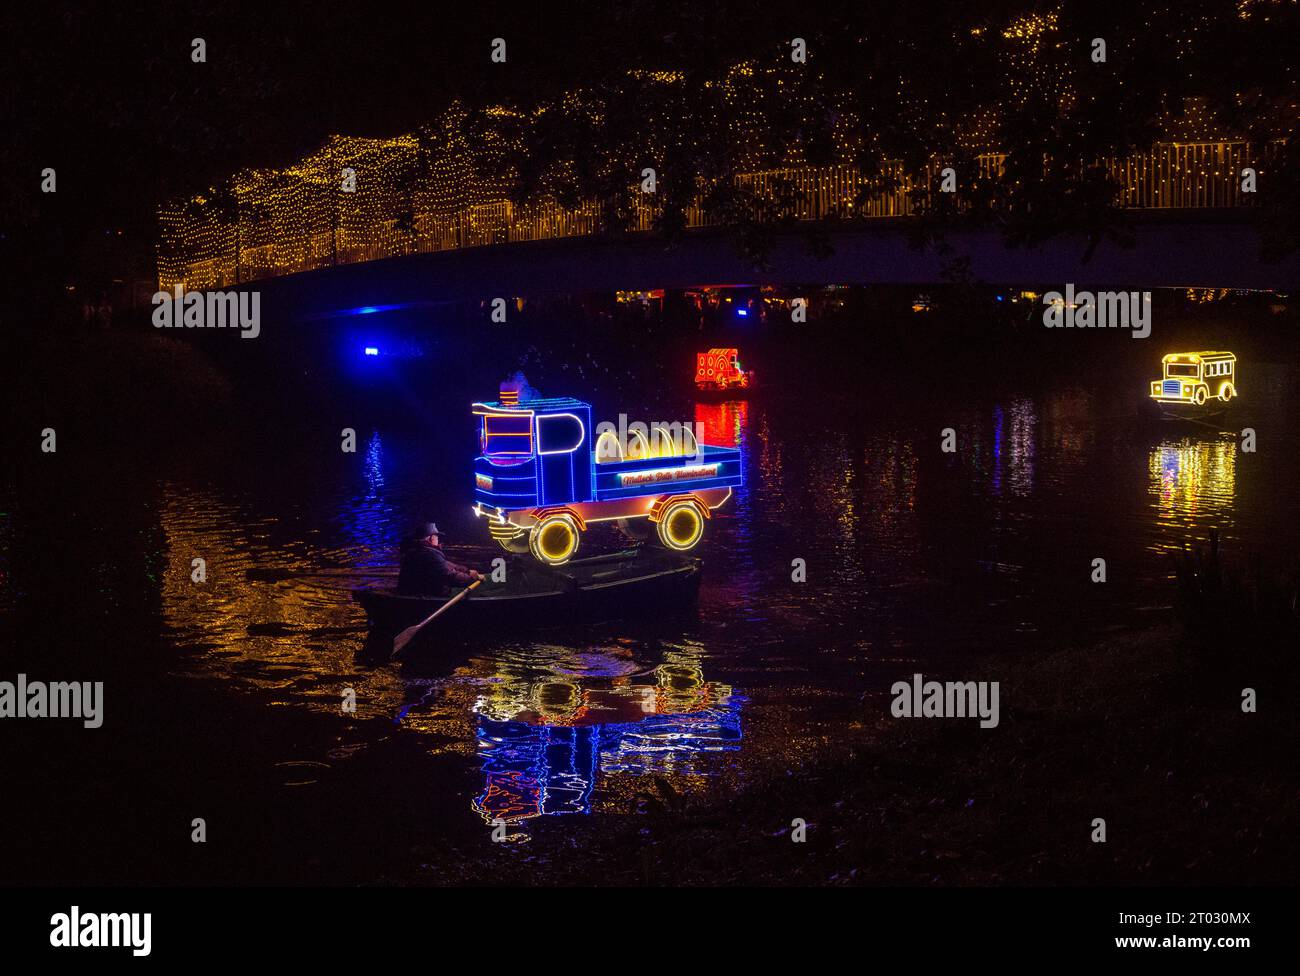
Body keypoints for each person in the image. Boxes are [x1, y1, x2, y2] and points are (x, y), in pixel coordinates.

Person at [397, 522, 484, 596]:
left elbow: (445, 564)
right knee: (476, 592)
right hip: (423, 594)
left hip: (411, 590)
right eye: (436, 536)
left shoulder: (416, 550)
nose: (438, 538)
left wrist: (467, 571)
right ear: (431, 538)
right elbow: (449, 576)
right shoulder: (428, 554)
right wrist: (472, 579)